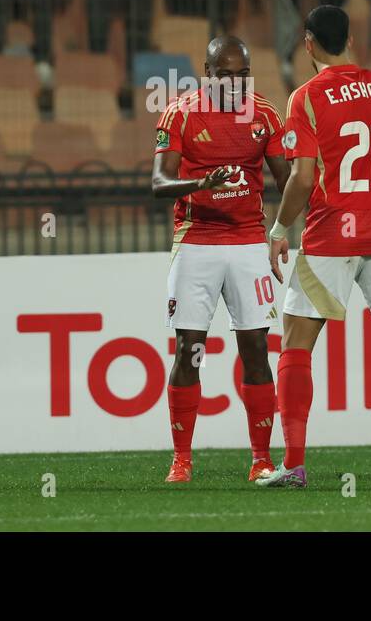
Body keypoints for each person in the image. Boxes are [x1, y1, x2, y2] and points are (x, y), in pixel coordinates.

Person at [259, 5, 371, 488]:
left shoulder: (307, 97)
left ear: (308, 44)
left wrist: (279, 230)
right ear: (352, 39)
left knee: (297, 344)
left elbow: (302, 176)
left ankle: (294, 466)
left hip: (329, 233)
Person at [151, 35, 290, 483]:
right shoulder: (180, 113)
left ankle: (261, 459)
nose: (235, 83)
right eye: (226, 74)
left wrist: (281, 231)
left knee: (255, 350)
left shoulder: (265, 114)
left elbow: (290, 180)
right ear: (207, 73)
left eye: (243, 74)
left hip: (249, 242)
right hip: (196, 242)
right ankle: (182, 460)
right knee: (190, 352)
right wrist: (200, 185)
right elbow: (158, 181)